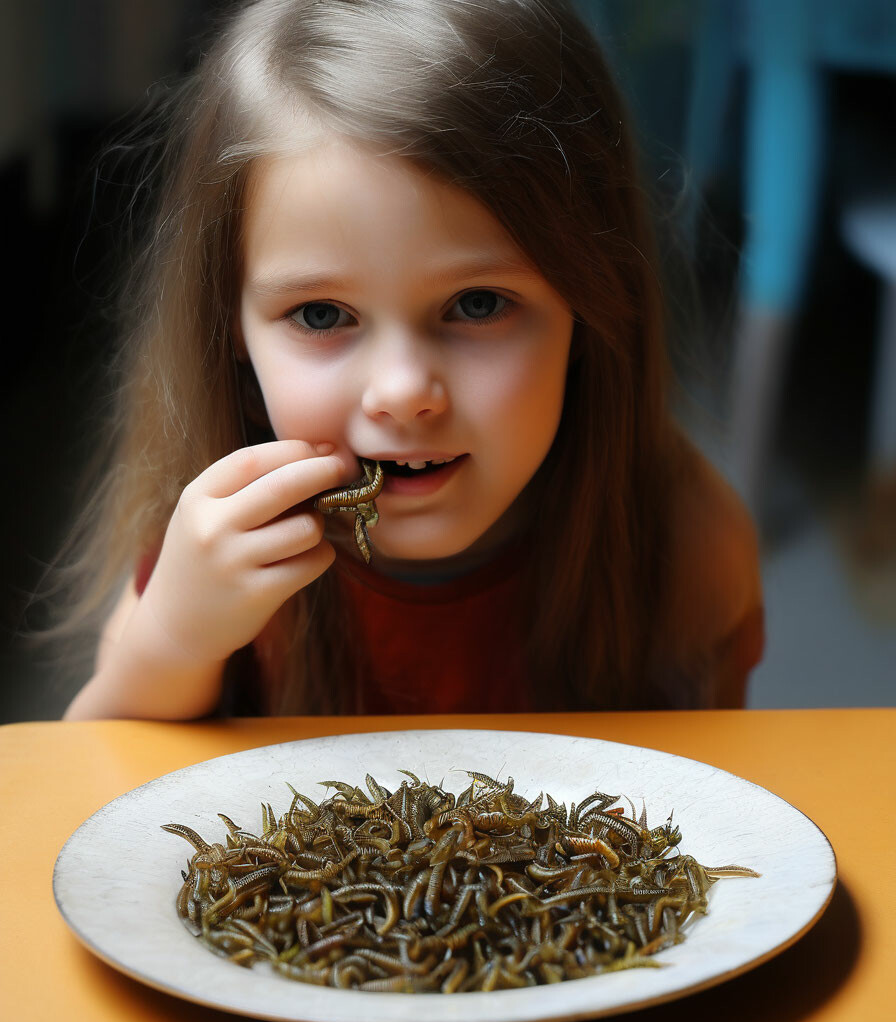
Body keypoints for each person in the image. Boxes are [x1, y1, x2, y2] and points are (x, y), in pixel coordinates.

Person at [61, 0, 763, 722]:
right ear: (229, 325)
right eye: (322, 315)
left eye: (479, 304)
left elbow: (726, 801)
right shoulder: (213, 550)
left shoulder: (686, 538)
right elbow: (87, 785)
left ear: (588, 303)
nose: (402, 392)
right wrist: (175, 640)